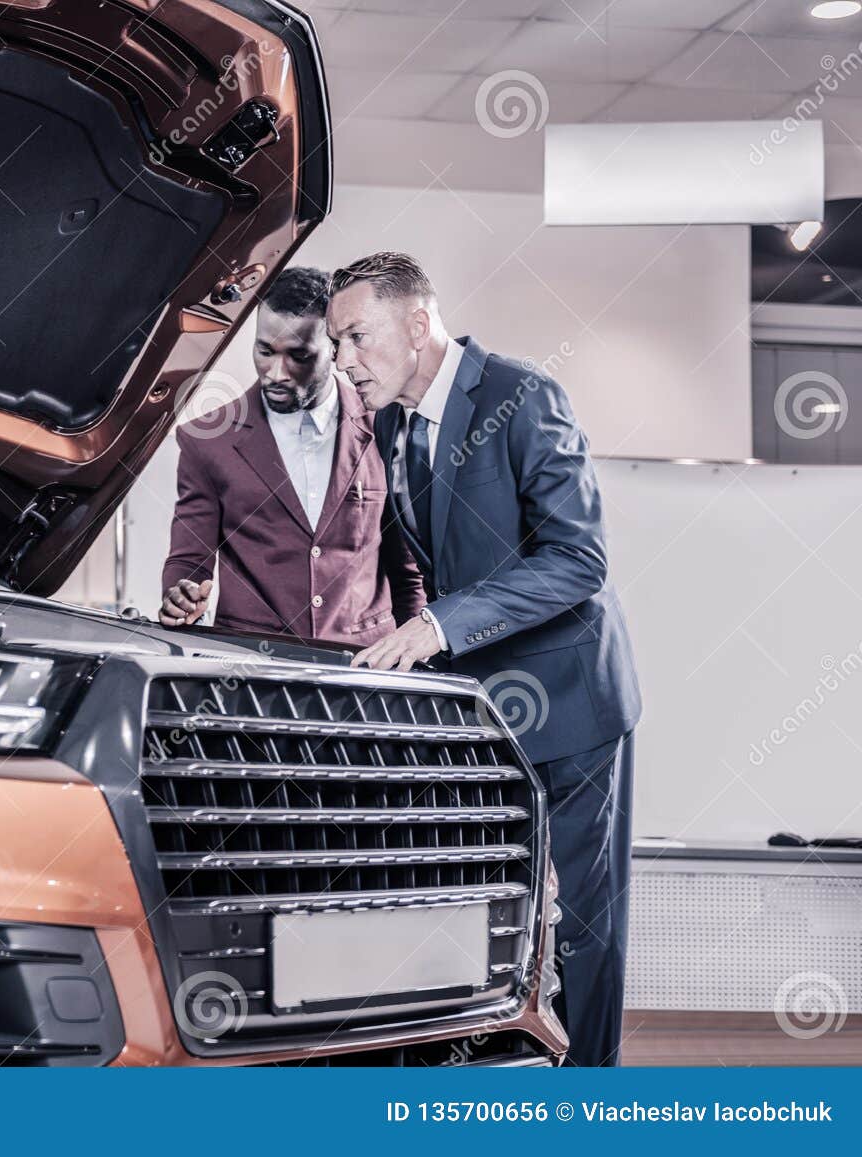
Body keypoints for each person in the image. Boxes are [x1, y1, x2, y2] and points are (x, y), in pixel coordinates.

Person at [326, 251, 642, 1067]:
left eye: (356, 337)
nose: (343, 360)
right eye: (336, 343)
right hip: (485, 709)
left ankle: (594, 1099)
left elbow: (580, 561)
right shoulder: (392, 419)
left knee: (581, 921)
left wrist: (441, 625)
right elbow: (418, 557)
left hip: (571, 704)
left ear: (418, 323)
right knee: (489, 909)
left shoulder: (523, 395)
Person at [159, 266, 424, 647]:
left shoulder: (387, 426)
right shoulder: (205, 440)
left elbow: (406, 571)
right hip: (251, 665)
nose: (276, 373)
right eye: (265, 351)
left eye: (298, 355)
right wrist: (179, 596)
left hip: (367, 666)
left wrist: (414, 662)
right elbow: (188, 560)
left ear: (335, 350)